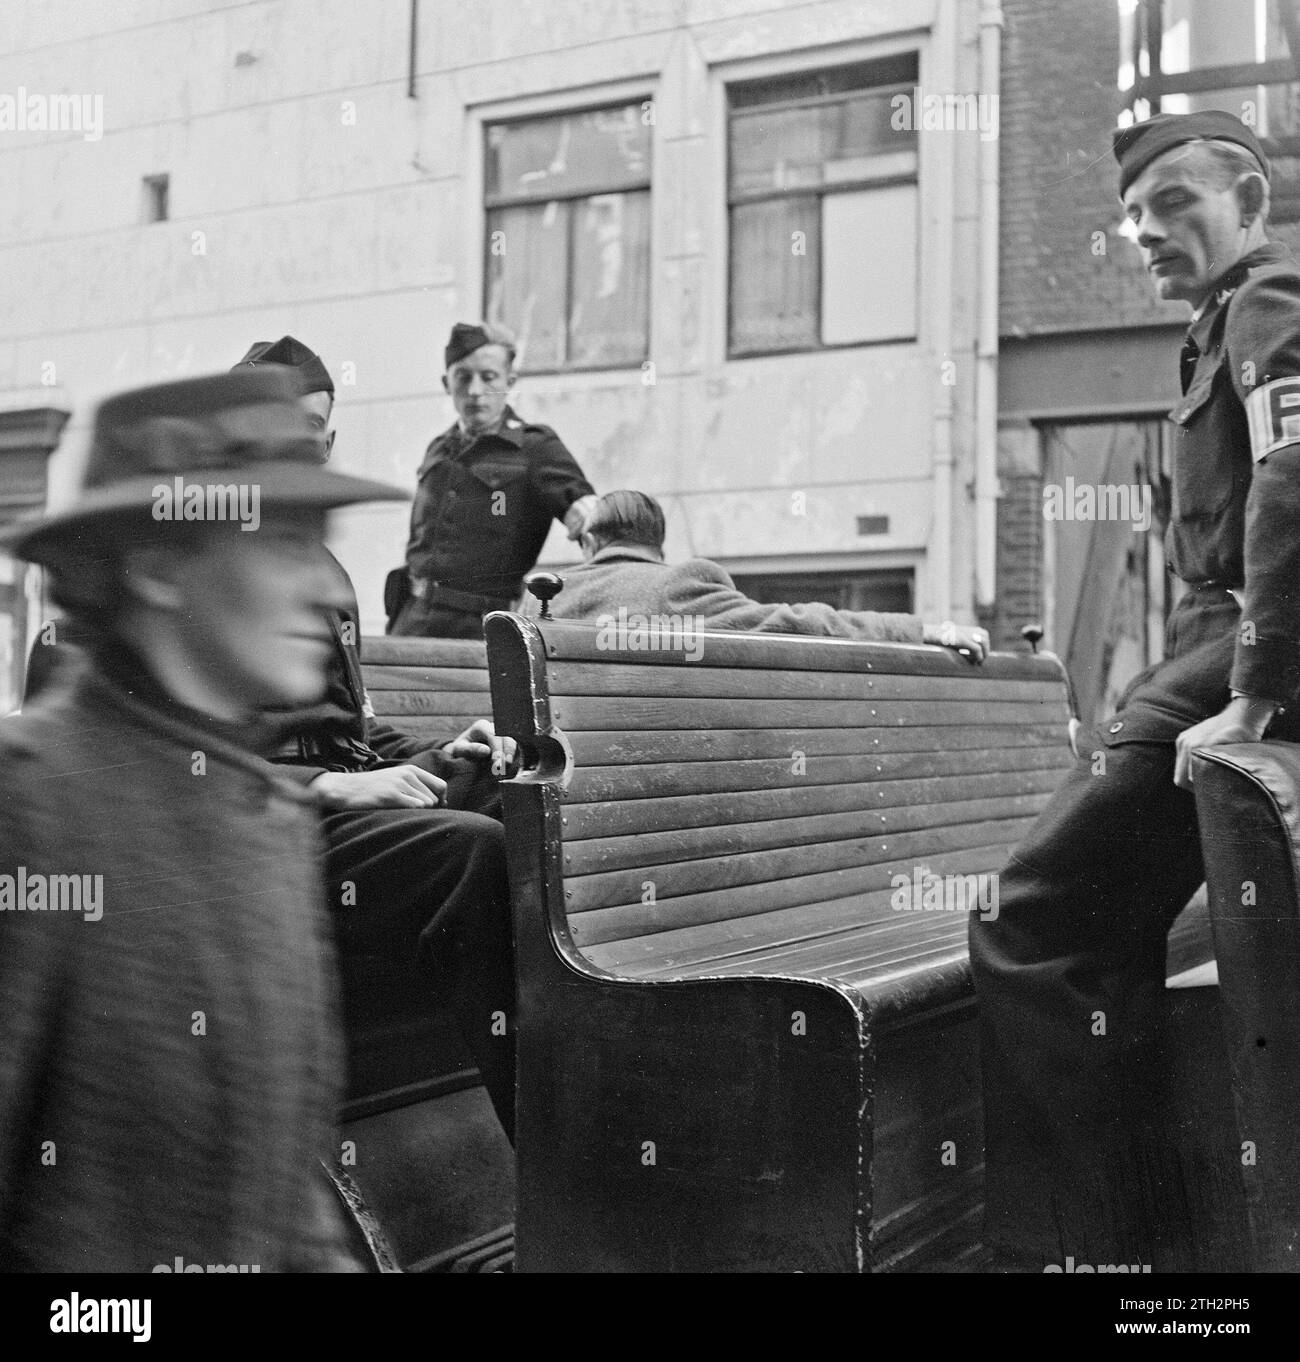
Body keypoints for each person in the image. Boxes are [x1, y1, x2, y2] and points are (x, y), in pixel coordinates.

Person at [969, 110, 1300, 1269]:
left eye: (1175, 206)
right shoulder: (1219, 322)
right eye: (1135, 216)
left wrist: (1251, 696)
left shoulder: (1268, 305)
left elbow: (1290, 487)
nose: (1146, 233)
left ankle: (1114, 1245)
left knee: (1024, 921)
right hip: (1209, 653)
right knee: (1095, 936)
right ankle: (1149, 1233)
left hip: (1235, 661)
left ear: (1248, 204)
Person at [0, 367, 407, 1271]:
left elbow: (285, 1190)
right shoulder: (33, 807)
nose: (331, 594)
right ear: (158, 566)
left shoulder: (269, 817)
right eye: (286, 542)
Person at [234, 336, 518, 1139]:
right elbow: (183, 763)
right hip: (268, 829)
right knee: (474, 852)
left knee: (514, 792)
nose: (308, 445)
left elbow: (344, 729)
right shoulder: (211, 561)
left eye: (320, 429)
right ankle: (549, 1154)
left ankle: (597, 1066)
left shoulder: (316, 560)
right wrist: (333, 786)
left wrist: (435, 748)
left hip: (332, 808)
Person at [521, 489, 991, 659]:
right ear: (657, 545)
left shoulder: (539, 600)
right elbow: (800, 622)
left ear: (591, 543)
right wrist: (923, 630)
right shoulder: (677, 585)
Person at [388, 321, 597, 638]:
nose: (474, 391)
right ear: (446, 383)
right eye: (463, 377)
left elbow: (594, 525)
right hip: (412, 620)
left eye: (488, 378)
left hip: (480, 630)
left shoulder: (535, 447)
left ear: (509, 381)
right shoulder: (439, 449)